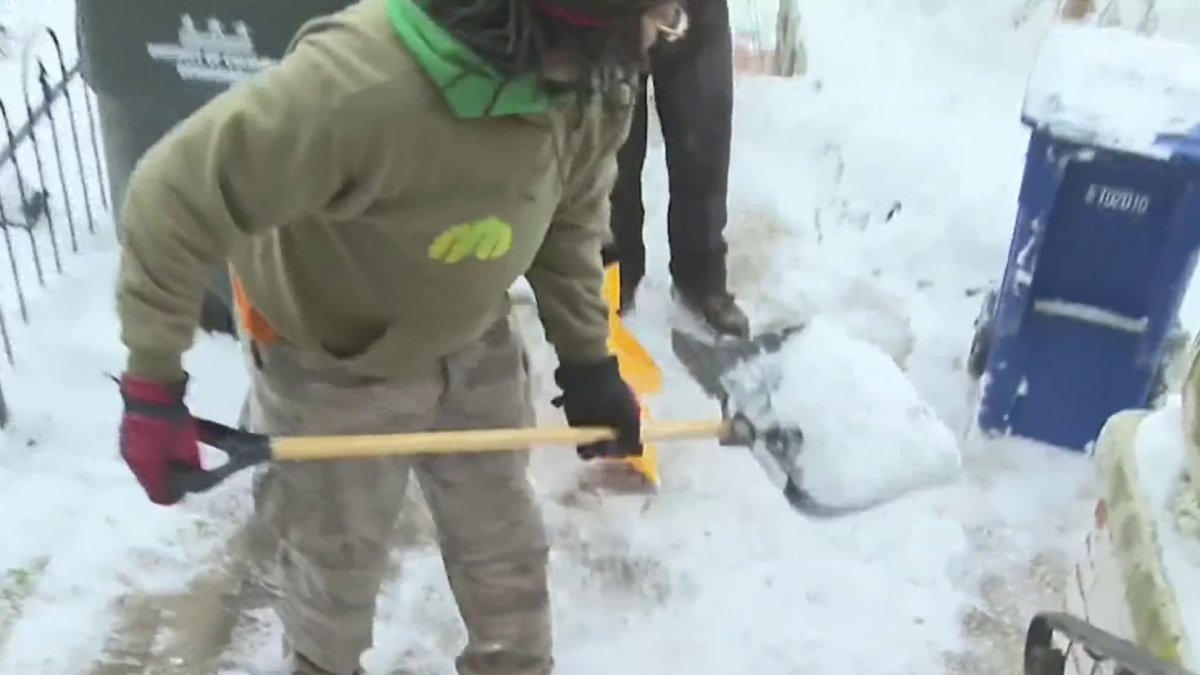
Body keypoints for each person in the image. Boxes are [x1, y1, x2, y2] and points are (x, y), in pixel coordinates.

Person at [112, 0, 687, 671]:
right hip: (330, 359)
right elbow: (173, 194)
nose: (662, 35)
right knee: (331, 576)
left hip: (471, 335)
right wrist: (152, 384)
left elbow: (570, 215)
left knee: (506, 556)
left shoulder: (596, 81)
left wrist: (588, 361)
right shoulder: (359, 87)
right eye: (657, 19)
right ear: (575, 26)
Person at [602, 0, 748, 337]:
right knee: (612, 152)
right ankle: (613, 275)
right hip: (606, 11)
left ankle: (702, 281)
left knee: (703, 143)